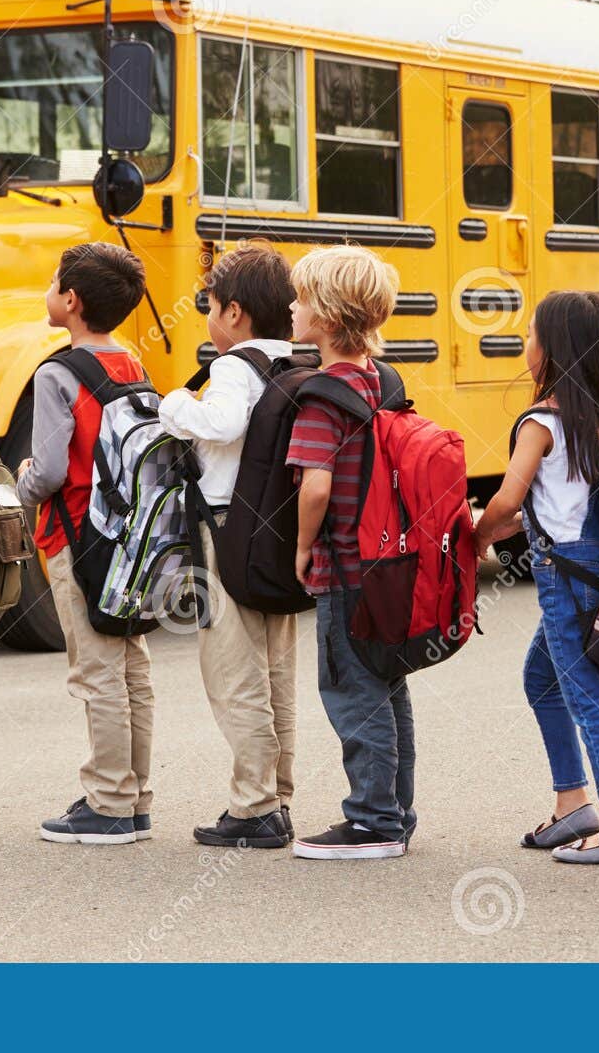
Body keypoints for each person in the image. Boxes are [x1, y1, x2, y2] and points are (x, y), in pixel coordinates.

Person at [475, 291, 599, 865]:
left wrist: (475, 540)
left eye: (531, 336)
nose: (525, 346)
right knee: (540, 678)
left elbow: (506, 500)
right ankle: (573, 804)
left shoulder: (540, 421)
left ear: (552, 351)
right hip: (598, 569)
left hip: (565, 575)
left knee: (585, 697)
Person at [158, 243, 298, 848]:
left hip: (228, 531)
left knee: (232, 672)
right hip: (279, 531)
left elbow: (220, 424)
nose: (208, 319)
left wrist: (173, 405)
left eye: (210, 307)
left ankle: (253, 806)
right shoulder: (295, 360)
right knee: (276, 672)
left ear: (235, 313)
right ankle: (278, 795)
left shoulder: (233, 367)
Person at [16, 243, 154, 846]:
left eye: (53, 283)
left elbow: (47, 471)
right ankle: (134, 794)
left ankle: (109, 804)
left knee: (96, 670)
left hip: (75, 535)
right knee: (132, 669)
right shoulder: (134, 364)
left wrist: (20, 477)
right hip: (128, 539)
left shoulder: (57, 373)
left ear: (70, 301)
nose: (49, 292)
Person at [284, 245, 406, 860]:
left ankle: (372, 821)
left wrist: (303, 549)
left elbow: (318, 484)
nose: (292, 307)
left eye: (301, 298)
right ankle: (397, 810)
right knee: (388, 688)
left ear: (328, 316)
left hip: (346, 566)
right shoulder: (385, 381)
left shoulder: (321, 395)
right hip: (392, 566)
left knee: (353, 690)